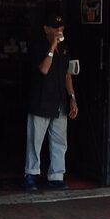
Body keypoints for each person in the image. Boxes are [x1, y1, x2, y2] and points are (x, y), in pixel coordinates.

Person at [24, 12, 78, 191]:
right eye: (55, 29)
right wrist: (52, 45)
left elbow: (67, 74)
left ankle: (56, 175)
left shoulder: (65, 49)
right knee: (35, 140)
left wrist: (72, 98)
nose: (59, 32)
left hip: (59, 101)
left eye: (61, 29)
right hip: (40, 101)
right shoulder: (37, 45)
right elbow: (44, 69)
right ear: (46, 28)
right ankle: (31, 173)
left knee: (60, 141)